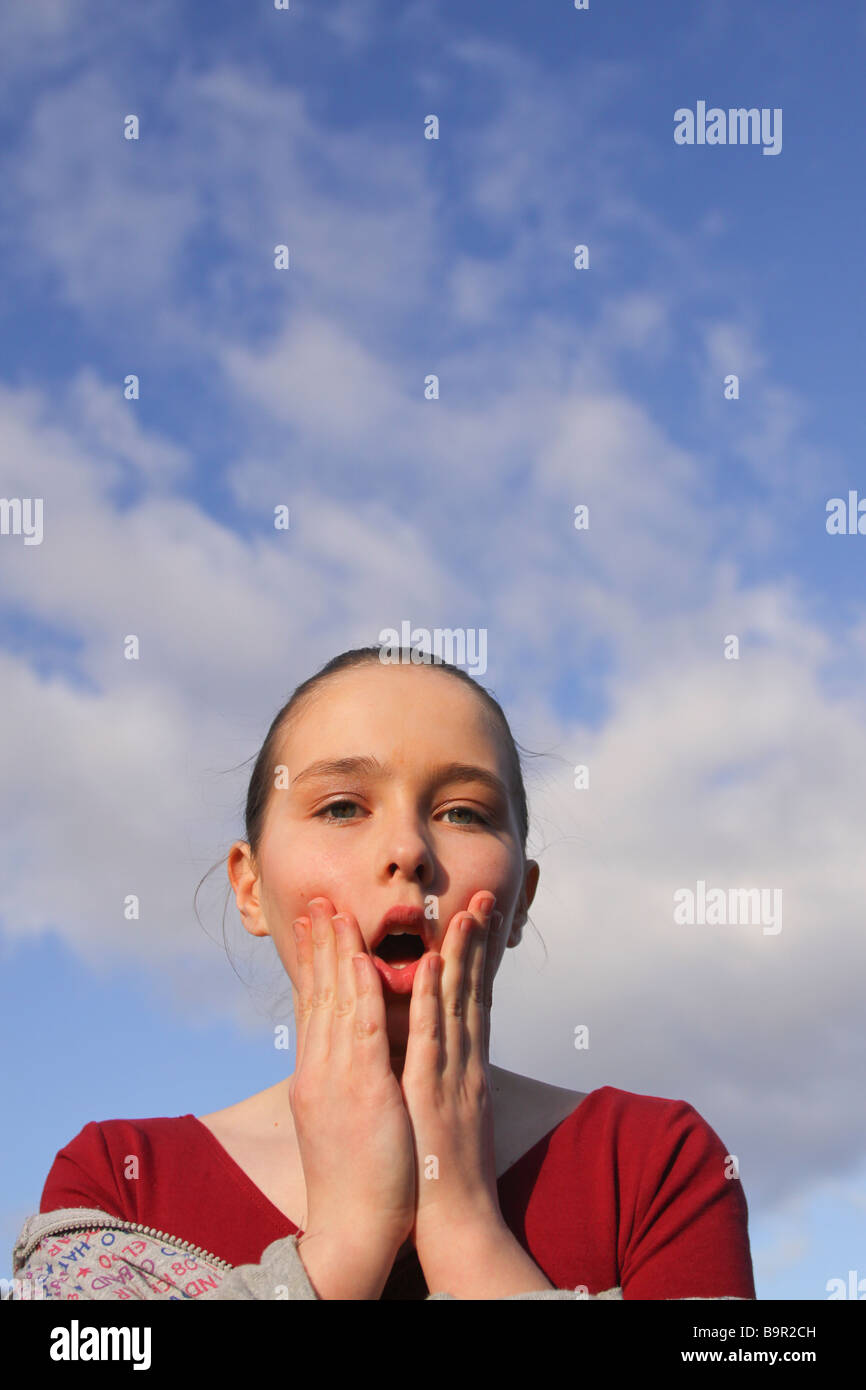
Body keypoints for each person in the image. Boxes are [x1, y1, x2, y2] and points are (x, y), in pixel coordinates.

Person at [9, 646, 756, 1300]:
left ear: (521, 900)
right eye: (340, 807)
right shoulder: (120, 1179)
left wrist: (466, 1228)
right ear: (249, 886)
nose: (408, 849)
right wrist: (345, 1242)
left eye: (464, 813)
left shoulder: (656, 1160)